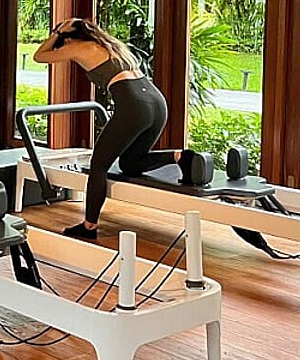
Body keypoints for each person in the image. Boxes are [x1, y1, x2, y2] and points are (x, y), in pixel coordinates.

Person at [32, 18, 210, 239]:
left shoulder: (77, 46)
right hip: (156, 102)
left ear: (69, 35)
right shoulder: (112, 45)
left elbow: (40, 56)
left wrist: (57, 33)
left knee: (98, 166)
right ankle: (179, 156)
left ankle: (89, 227)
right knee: (130, 164)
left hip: (134, 105)